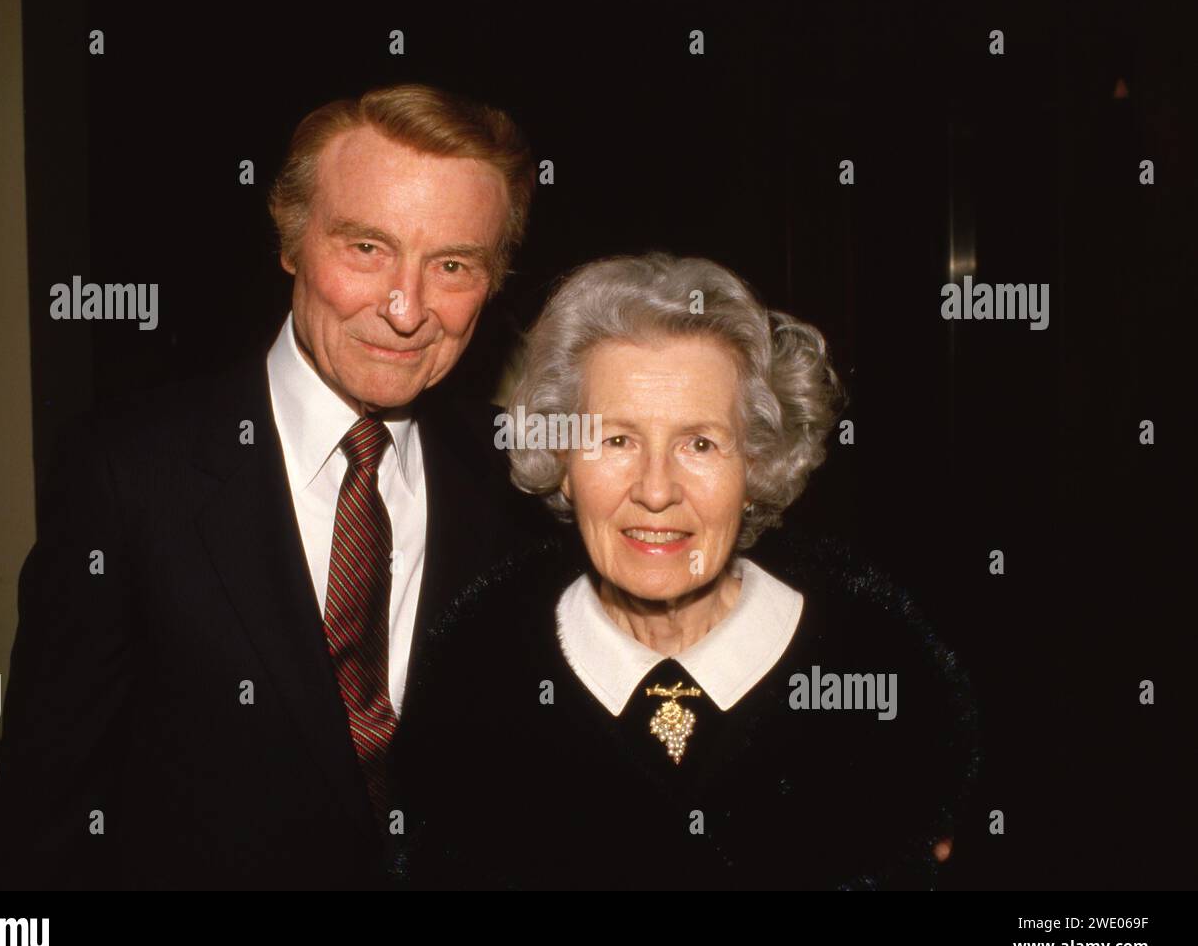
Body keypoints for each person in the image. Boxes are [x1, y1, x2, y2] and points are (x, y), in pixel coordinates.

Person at [0, 84, 551, 889]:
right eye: (366, 248)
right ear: (291, 241)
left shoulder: (520, 481)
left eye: (453, 264)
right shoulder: (130, 473)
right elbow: (44, 817)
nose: (406, 307)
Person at [394, 252, 980, 889]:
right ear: (562, 458)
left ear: (757, 465)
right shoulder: (475, 706)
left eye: (700, 443)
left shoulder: (884, 712)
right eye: (616, 440)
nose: (654, 490)